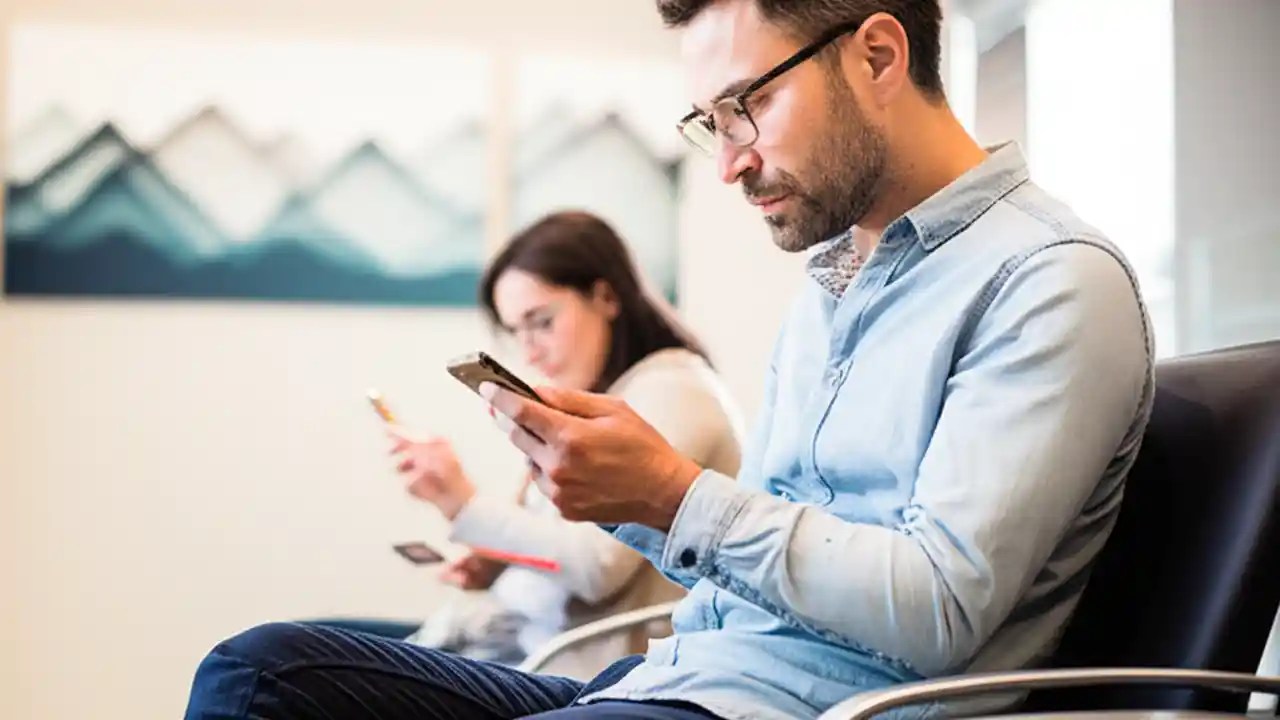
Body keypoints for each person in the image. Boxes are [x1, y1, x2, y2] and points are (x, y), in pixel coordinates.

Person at [184, 1, 1155, 718]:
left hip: (798, 708)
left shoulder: (1048, 283)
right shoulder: (831, 290)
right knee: (259, 674)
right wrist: (629, 494)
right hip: (677, 679)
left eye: (748, 106)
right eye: (711, 123)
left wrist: (669, 495)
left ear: (876, 53)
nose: (729, 159)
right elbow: (746, 558)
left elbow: (939, 608)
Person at [310, 210, 746, 678]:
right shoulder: (610, 396)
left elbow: (596, 568)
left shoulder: (674, 391)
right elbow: (569, 543)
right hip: (514, 643)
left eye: (541, 322)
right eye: (516, 331)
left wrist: (463, 504)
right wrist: (499, 562)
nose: (529, 350)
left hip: (565, 668)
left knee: (276, 659)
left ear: (605, 296)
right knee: (294, 647)